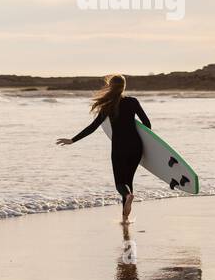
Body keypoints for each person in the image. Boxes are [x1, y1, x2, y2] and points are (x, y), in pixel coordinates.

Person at [56, 74, 149, 222]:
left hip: (119, 147)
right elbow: (147, 124)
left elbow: (92, 127)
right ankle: (125, 218)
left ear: (110, 86)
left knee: (120, 183)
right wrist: (146, 146)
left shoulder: (108, 105)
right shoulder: (133, 101)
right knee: (129, 180)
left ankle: (127, 199)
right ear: (124, 86)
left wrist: (72, 140)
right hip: (136, 146)